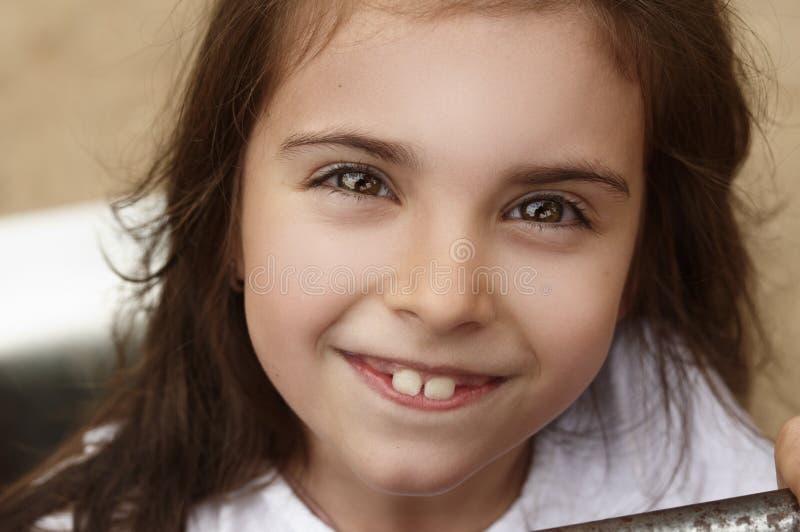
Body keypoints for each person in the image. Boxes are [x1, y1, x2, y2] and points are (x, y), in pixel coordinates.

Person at [1, 1, 799, 530]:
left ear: (638, 265)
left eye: (546, 208)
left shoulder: (718, 486)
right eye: (357, 180)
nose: (445, 299)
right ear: (228, 221)